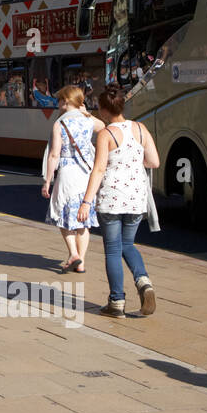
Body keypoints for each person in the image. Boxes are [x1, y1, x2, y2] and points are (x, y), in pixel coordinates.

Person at [77, 85, 161, 318]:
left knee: (113, 250)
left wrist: (86, 202)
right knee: (128, 245)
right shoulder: (141, 129)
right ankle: (143, 281)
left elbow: (100, 169)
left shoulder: (106, 134)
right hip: (136, 199)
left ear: (103, 111)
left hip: (112, 199)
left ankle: (116, 302)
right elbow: (154, 162)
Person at [42, 85, 103, 273]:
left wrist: (47, 180)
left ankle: (73, 253)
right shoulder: (88, 121)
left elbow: (54, 155)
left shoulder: (59, 124)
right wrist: (86, 113)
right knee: (83, 218)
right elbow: (103, 128)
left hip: (68, 173)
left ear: (67, 101)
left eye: (60, 100)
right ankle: (81, 262)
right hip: (86, 173)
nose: (58, 103)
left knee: (62, 214)